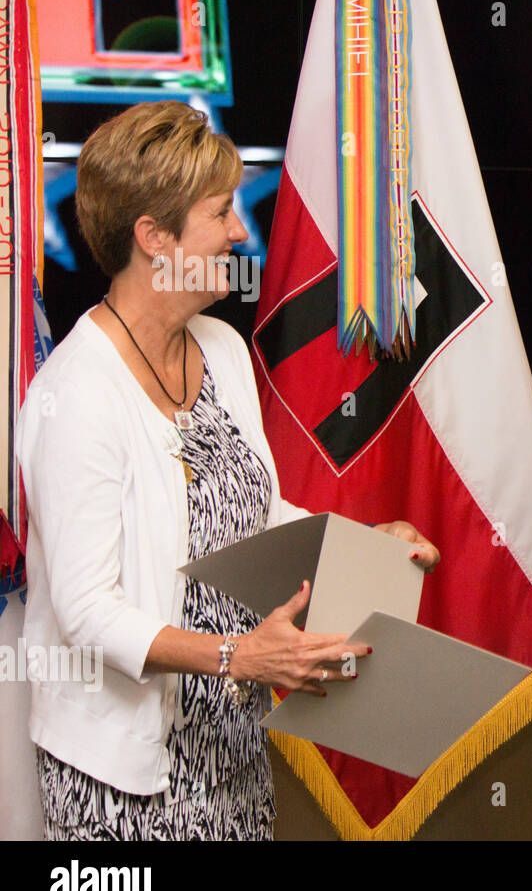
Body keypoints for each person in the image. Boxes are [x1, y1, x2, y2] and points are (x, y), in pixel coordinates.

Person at [16, 100, 439, 840]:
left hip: (233, 752)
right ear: (154, 237)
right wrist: (236, 657)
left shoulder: (221, 347)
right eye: (221, 211)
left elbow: (255, 515)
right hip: (125, 777)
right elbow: (85, 611)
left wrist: (365, 545)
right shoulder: (75, 393)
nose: (242, 230)